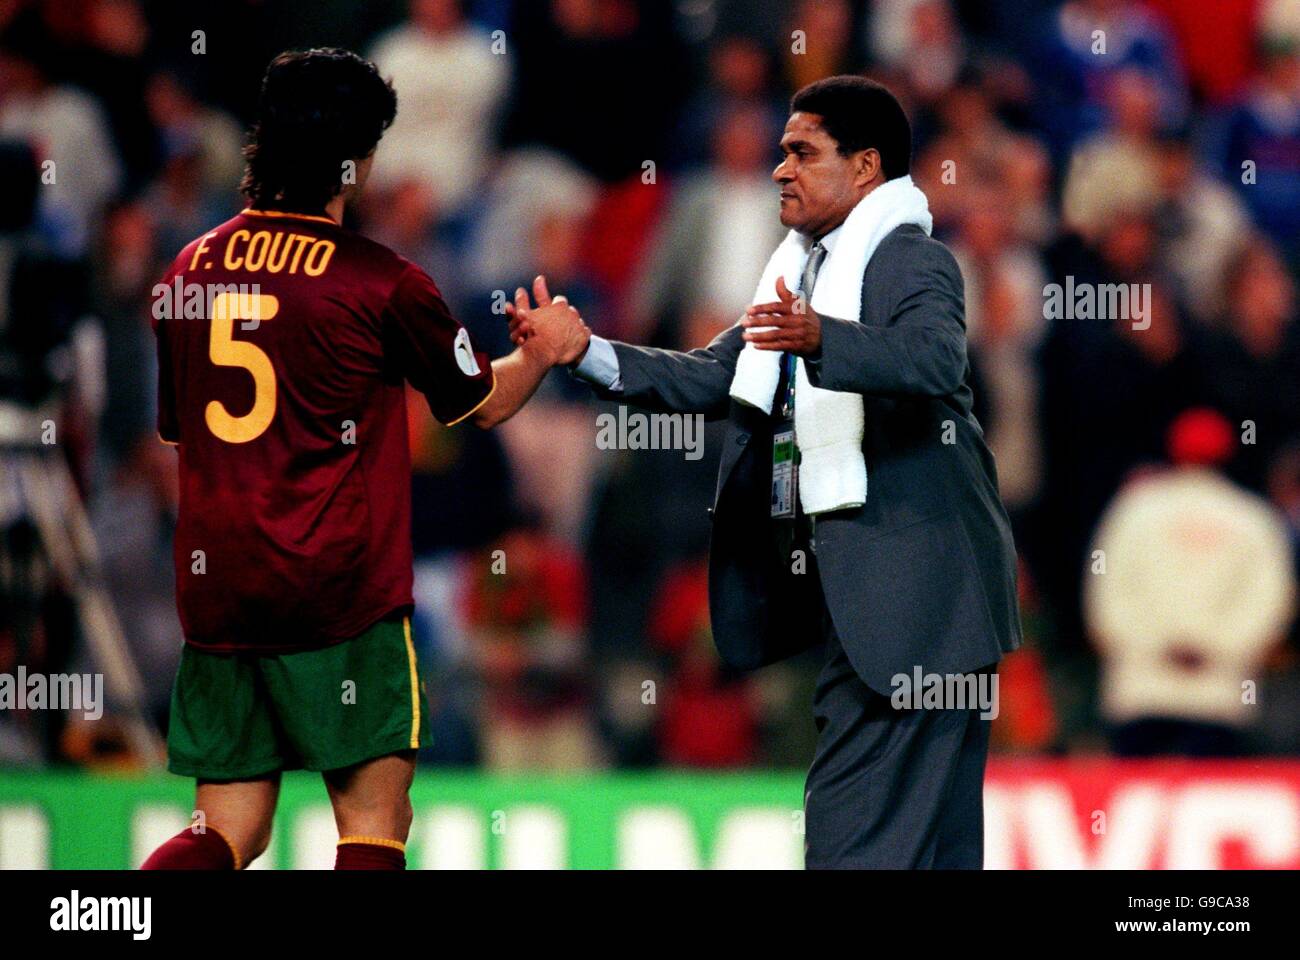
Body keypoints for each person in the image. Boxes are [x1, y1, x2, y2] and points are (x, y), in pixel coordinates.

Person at [511, 76, 1021, 868]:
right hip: (884, 608)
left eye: (801, 152)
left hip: (922, 603)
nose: (780, 169)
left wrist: (823, 338)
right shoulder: (803, 271)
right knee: (934, 848)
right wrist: (585, 352)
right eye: (782, 152)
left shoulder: (910, 260)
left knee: (854, 845)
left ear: (864, 167)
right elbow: (710, 377)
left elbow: (935, 357)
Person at [141, 48, 588, 871]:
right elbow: (481, 403)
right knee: (374, 818)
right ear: (361, 161)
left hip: (221, 593)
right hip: (337, 592)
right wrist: (546, 351)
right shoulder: (383, 282)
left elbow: (177, 438)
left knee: (225, 828)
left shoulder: (187, 269)